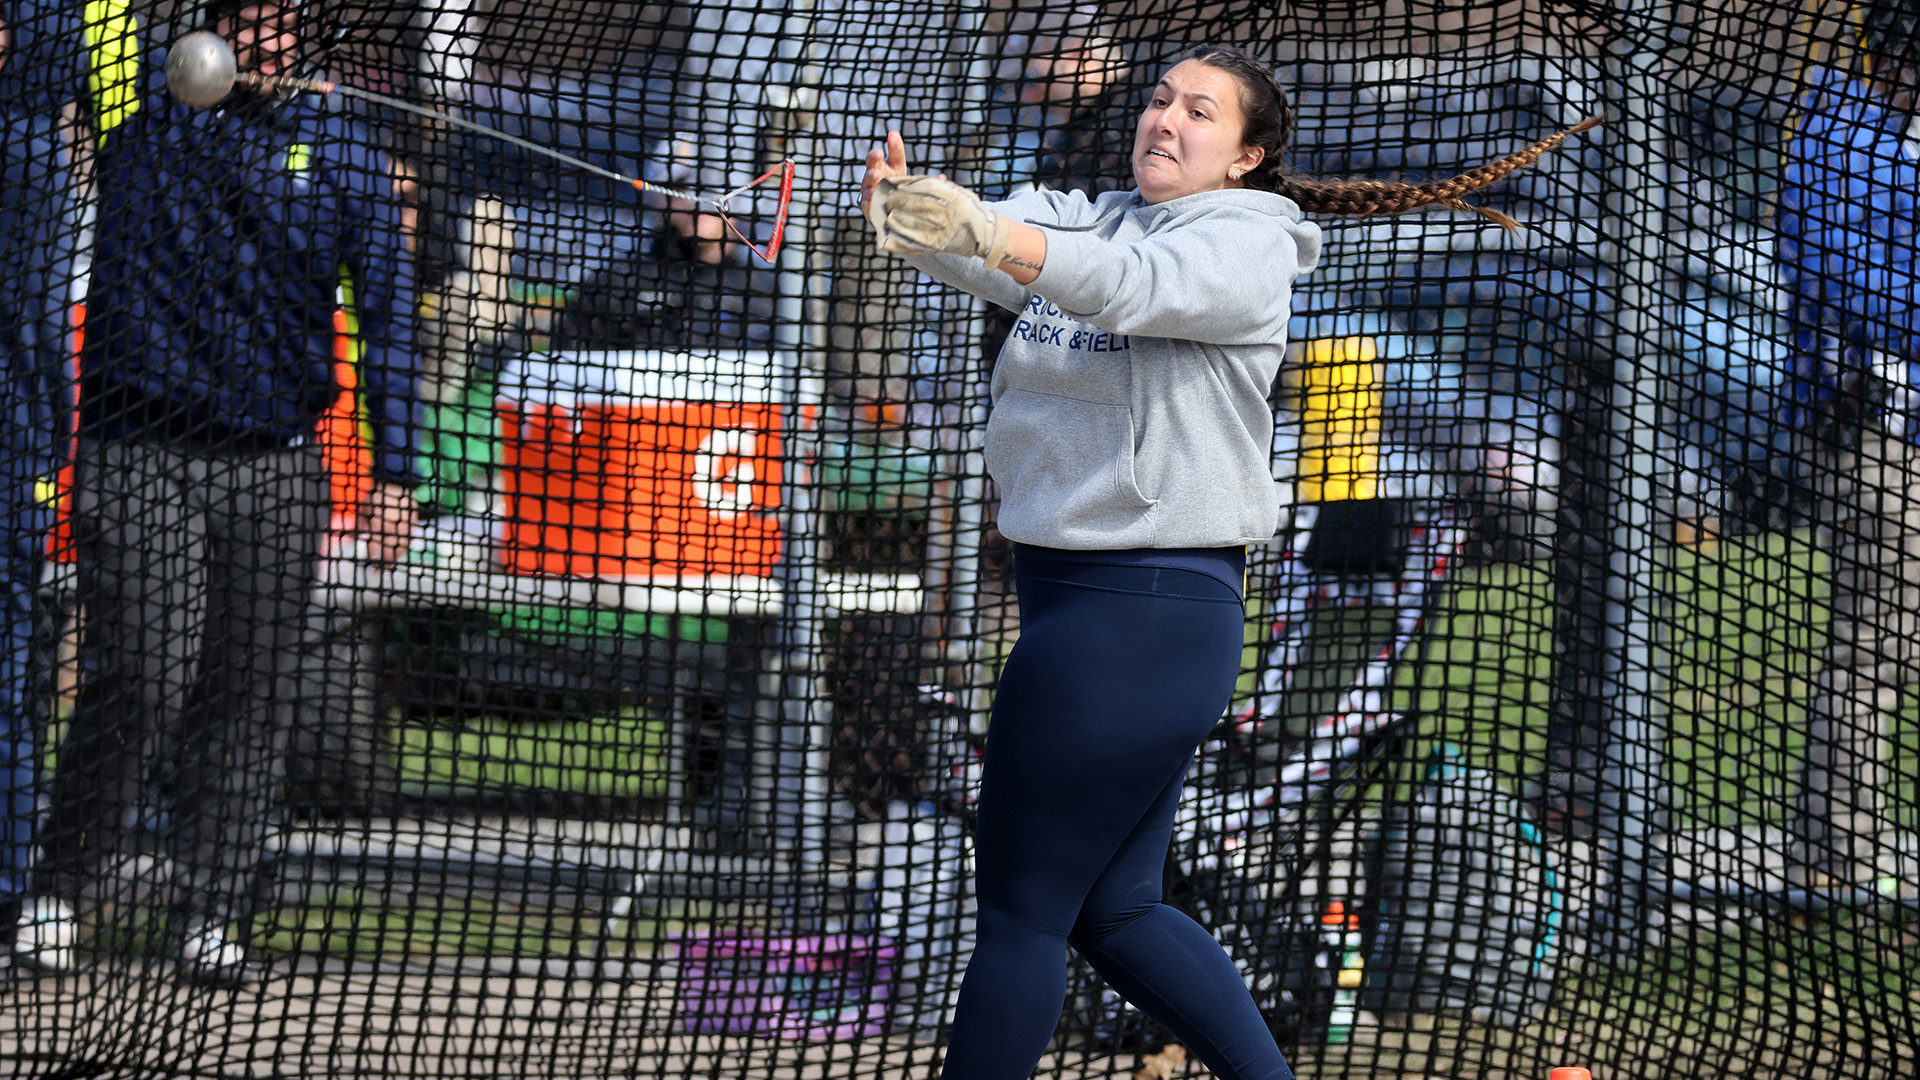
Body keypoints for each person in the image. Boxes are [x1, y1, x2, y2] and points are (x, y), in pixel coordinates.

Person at [862, 43, 1595, 1080]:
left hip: (1141, 612)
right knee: (1115, 909)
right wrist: (909, 213)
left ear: (1246, 155)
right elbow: (1001, 254)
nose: (1165, 120)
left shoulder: (1244, 246)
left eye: (1199, 112)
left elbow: (1121, 286)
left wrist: (990, 229)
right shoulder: (1098, 216)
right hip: (1080, 603)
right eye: (1160, 100)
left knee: (1023, 911)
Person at [12, 0, 422, 984]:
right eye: (247, 22)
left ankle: (211, 911)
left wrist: (399, 472)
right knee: (146, 674)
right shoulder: (141, 119)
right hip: (138, 447)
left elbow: (392, 314)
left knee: (250, 693)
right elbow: (85, 34)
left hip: (277, 460)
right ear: (210, 30)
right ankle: (61, 890)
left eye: (282, 26)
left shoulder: (342, 150)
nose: (264, 44)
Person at [1777, 0, 1920, 889]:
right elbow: (1861, 289)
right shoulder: (1845, 141)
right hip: (1872, 425)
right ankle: (1835, 859)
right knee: (1882, 638)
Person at [0, 0, 89, 973]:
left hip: (14, 443)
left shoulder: (27, 155)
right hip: (28, 436)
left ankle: (9, 891)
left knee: (14, 670)